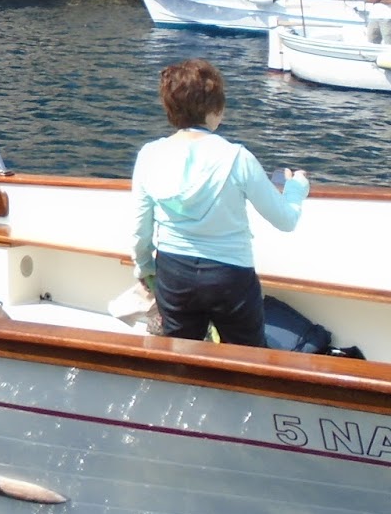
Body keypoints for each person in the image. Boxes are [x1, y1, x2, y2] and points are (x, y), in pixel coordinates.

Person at [131, 58, 308, 347]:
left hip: (174, 274)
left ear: (170, 110)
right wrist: (297, 188)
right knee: (247, 358)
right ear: (216, 109)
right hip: (230, 279)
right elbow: (286, 220)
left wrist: (144, 268)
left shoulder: (149, 155)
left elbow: (140, 229)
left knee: (181, 355)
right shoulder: (237, 157)